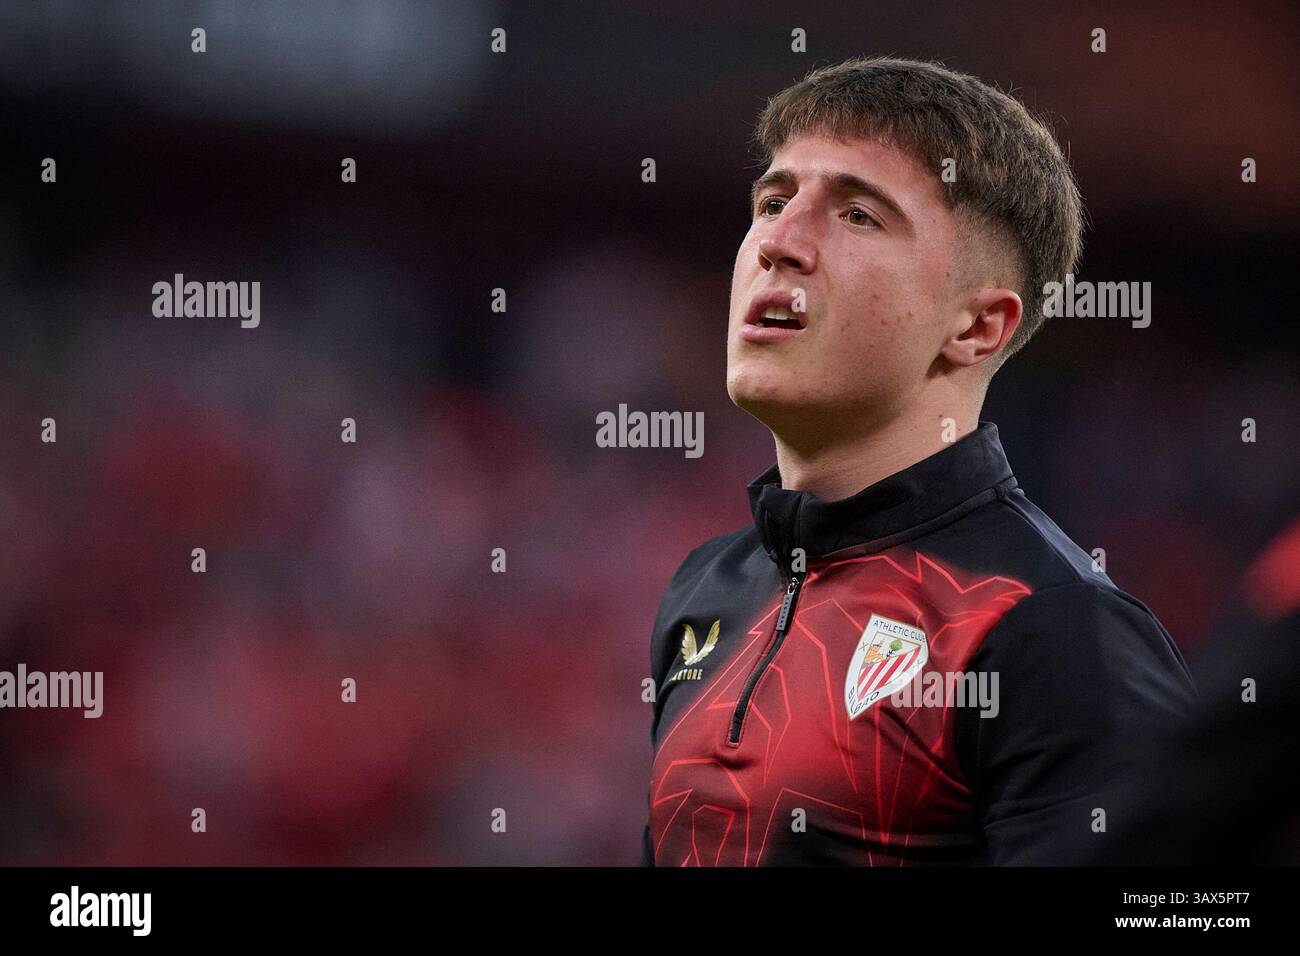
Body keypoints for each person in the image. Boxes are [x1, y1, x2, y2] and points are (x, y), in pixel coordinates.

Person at [641, 56, 1196, 866]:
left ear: (976, 328)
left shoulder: (1056, 630)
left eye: (859, 215)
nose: (779, 243)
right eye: (771, 200)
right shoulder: (704, 589)